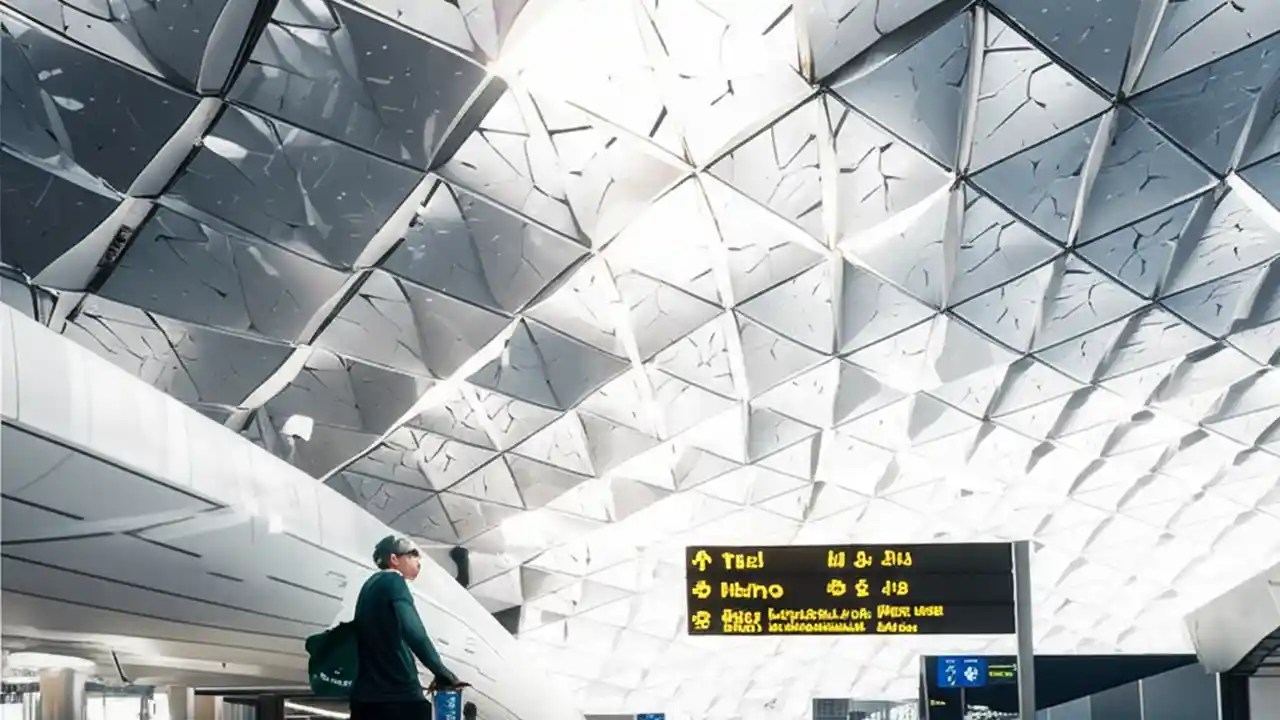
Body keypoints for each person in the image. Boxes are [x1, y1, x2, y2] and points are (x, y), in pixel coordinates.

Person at [349, 534, 466, 720]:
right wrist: (441, 671)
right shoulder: (393, 581)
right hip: (397, 696)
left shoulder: (369, 586)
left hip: (365, 698)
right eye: (412, 554)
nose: (419, 560)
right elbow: (414, 632)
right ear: (394, 559)